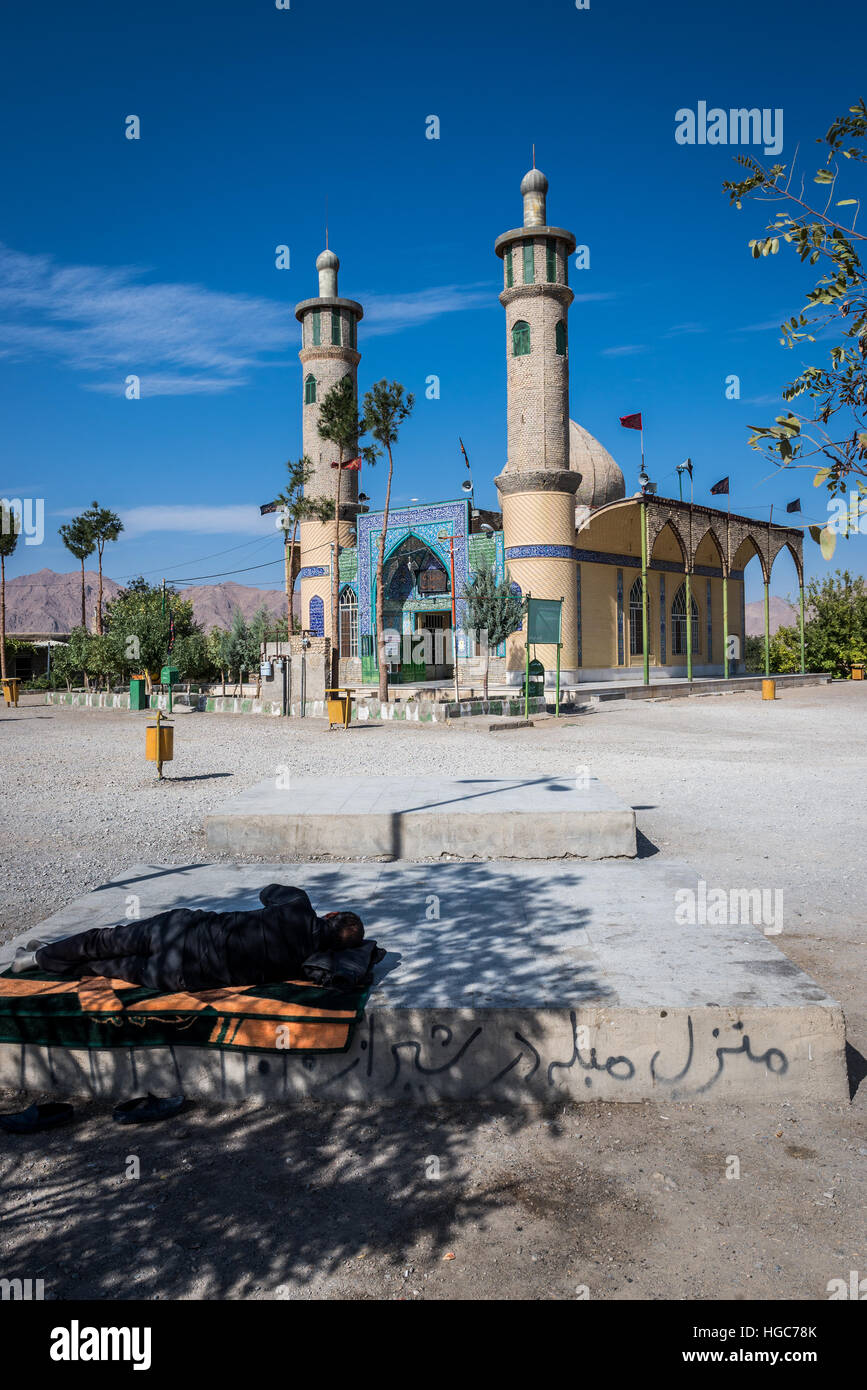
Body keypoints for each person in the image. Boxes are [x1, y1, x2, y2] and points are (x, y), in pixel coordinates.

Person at [11, 885, 364, 992]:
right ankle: (44, 957)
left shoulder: (298, 905)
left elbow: (267, 892)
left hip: (185, 930)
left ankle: (41, 956)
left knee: (104, 940)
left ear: (330, 916)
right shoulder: (308, 965)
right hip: (183, 975)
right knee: (110, 966)